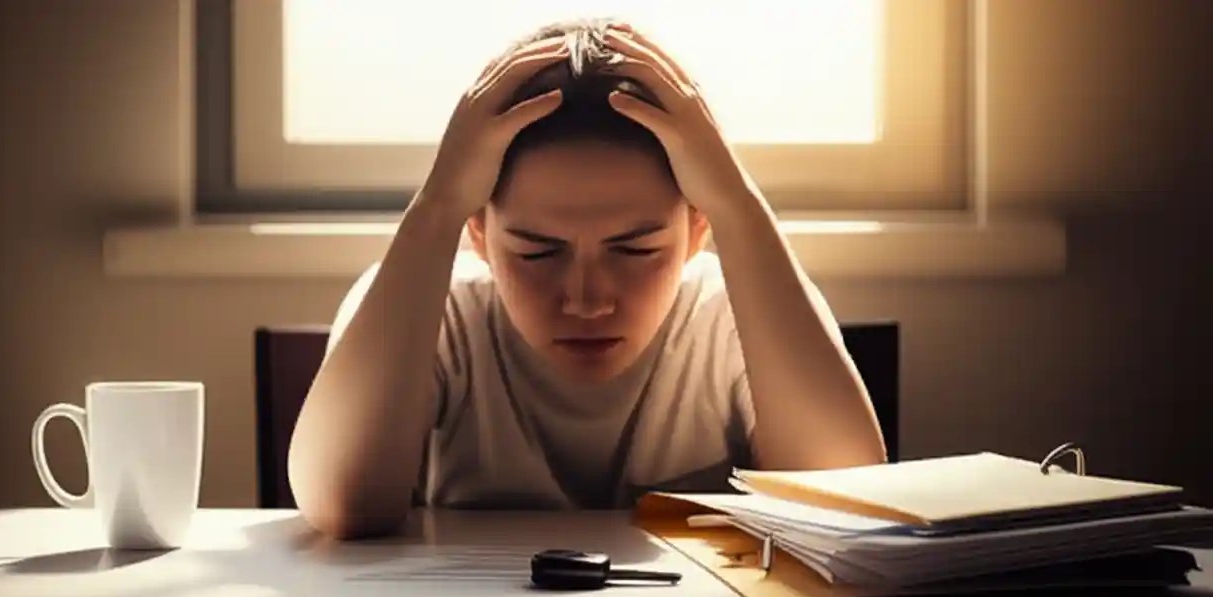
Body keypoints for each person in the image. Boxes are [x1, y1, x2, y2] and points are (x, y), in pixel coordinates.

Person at [287, 19, 887, 539]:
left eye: (635, 249)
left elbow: (841, 499)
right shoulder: (431, 308)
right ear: (479, 235)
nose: (587, 299)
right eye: (537, 252)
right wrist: (438, 203)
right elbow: (344, 503)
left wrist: (735, 200)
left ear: (696, 230)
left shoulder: (735, 311)